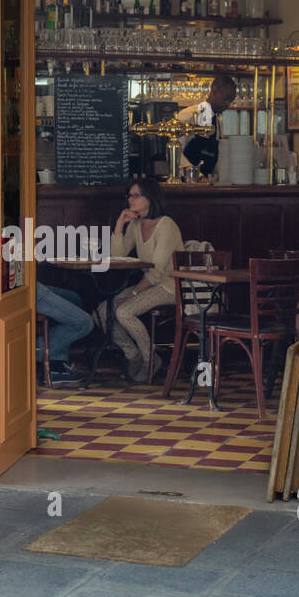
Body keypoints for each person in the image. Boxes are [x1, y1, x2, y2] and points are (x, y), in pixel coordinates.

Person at [98, 177, 184, 383]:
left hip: (170, 286)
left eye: (136, 195)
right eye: (129, 195)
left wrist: (134, 293)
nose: (130, 200)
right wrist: (119, 225)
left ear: (150, 198)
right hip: (148, 285)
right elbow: (117, 257)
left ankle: (150, 360)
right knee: (102, 312)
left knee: (123, 311)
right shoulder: (136, 224)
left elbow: (156, 271)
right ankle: (133, 355)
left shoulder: (166, 225)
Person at [177, 75, 237, 179]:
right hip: (185, 183)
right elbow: (176, 153)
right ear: (213, 91)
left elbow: (215, 158)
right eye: (226, 99)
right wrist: (197, 177)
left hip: (206, 184)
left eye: (231, 101)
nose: (228, 104)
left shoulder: (218, 123)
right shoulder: (189, 115)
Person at [36, 282, 93, 385]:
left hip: (29, 281)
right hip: (23, 287)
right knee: (84, 323)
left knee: (73, 299)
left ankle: (56, 365)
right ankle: (37, 349)